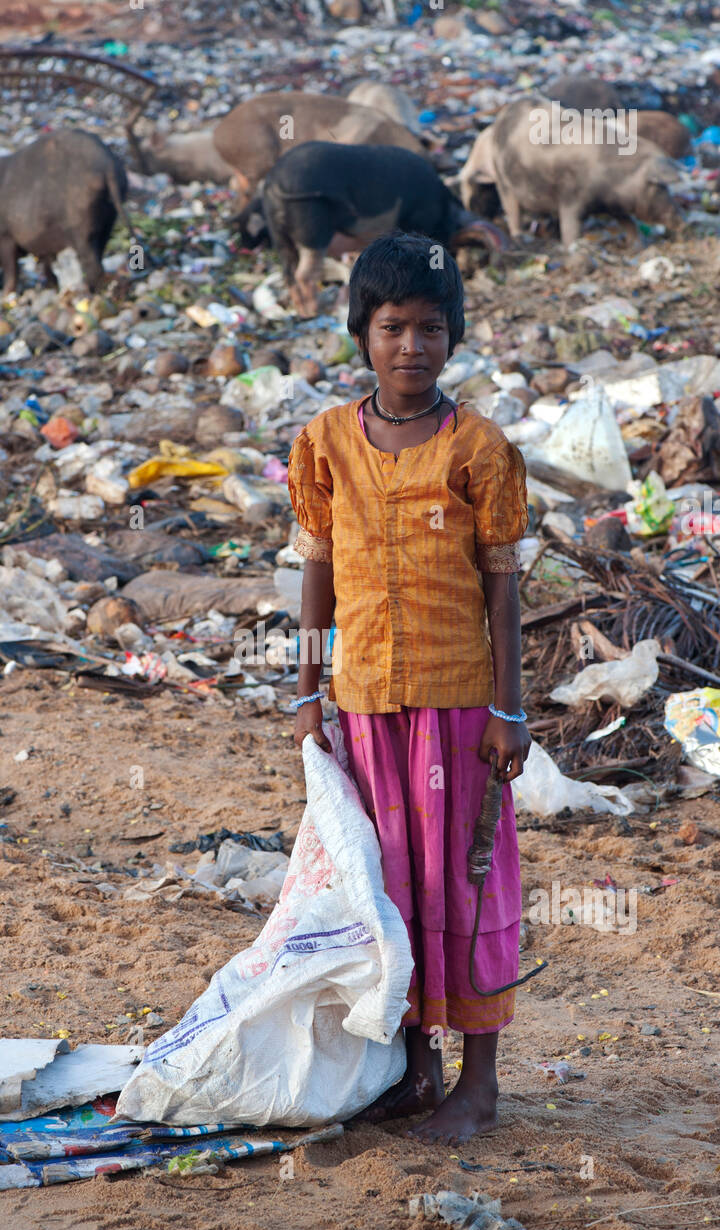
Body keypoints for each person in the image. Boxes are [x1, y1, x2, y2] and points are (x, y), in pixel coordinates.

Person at [287, 231, 530, 1144]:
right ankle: (416, 1069)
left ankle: (481, 1083)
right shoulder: (324, 446)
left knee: (465, 888)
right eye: (392, 328)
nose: (411, 348)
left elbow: (503, 586)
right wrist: (308, 689)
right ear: (362, 333)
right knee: (391, 889)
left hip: (460, 707)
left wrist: (510, 710)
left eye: (431, 328)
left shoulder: (479, 448)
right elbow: (318, 575)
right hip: (362, 704)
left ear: (454, 336)